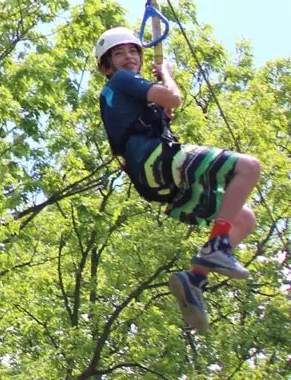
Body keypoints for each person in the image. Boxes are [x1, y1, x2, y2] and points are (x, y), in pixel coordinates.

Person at [94, 25, 262, 333]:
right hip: (155, 159)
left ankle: (194, 278)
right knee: (248, 168)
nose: (129, 57)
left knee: (245, 219)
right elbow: (174, 98)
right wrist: (167, 73)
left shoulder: (123, 94)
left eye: (134, 51)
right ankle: (217, 249)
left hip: (157, 181)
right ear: (107, 66)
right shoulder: (120, 80)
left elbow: (159, 107)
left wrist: (158, 107)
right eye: (119, 54)